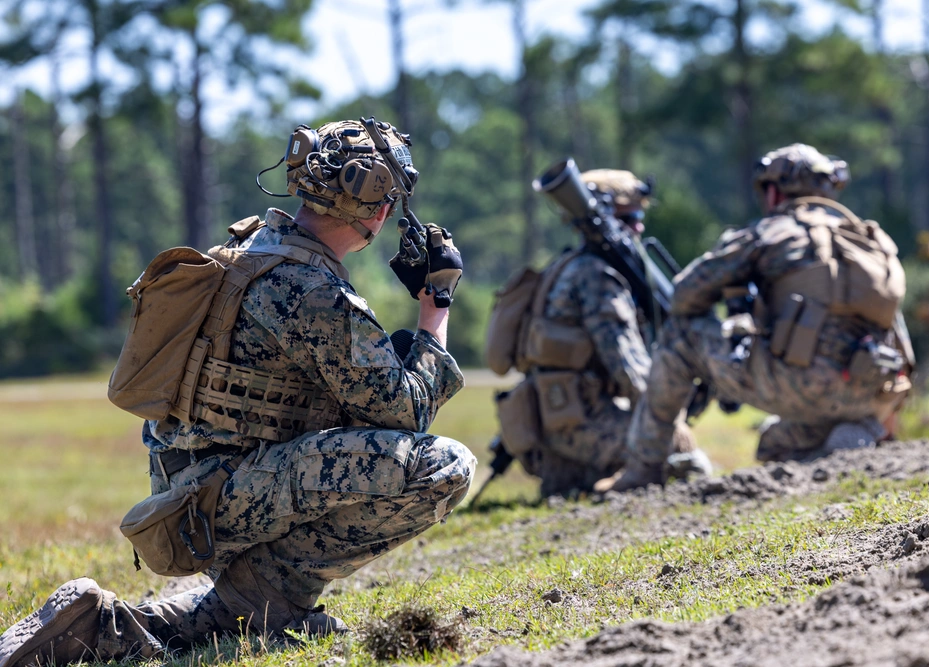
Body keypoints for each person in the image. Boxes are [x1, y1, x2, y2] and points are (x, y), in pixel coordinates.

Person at [0, 118, 476, 667]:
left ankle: (109, 626)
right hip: (226, 498)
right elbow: (407, 413)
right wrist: (435, 306)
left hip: (190, 494)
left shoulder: (250, 248)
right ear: (379, 209)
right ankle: (268, 601)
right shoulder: (312, 290)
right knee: (444, 466)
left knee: (234, 610)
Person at [596, 144, 912, 492]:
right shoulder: (869, 241)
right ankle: (857, 432)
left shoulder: (770, 232)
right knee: (773, 444)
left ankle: (643, 469)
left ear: (773, 192)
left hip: (799, 386)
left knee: (681, 335)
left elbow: (685, 296)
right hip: (872, 392)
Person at [493, 169, 699, 497]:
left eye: (640, 217)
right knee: (684, 454)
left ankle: (580, 477)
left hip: (554, 424)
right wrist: (675, 424)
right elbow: (632, 372)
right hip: (582, 426)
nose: (639, 227)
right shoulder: (597, 278)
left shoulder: (566, 265)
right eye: (631, 218)